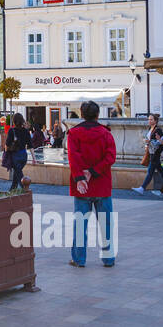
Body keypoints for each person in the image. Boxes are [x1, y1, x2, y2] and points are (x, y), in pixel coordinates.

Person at [65, 100, 117, 268]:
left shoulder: (74, 133)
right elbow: (110, 157)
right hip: (101, 184)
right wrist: (93, 171)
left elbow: (73, 157)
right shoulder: (105, 133)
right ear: (97, 114)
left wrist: (81, 176)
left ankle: (79, 259)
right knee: (106, 223)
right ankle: (108, 258)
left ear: (81, 114)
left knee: (80, 224)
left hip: (82, 186)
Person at [133, 113, 163, 195]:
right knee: (161, 171)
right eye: (148, 119)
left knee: (150, 172)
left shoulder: (158, 130)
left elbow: (160, 143)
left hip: (155, 154)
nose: (149, 121)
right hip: (151, 152)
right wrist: (146, 144)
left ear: (155, 121)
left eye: (151, 119)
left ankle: (142, 188)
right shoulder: (150, 129)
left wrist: (149, 142)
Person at [4, 113, 30, 191]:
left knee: (19, 174)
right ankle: (12, 189)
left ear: (14, 121)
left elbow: (7, 144)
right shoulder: (26, 131)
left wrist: (6, 153)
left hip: (15, 156)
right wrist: (34, 158)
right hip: (24, 156)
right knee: (17, 172)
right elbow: (30, 145)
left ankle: (25, 189)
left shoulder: (11, 130)